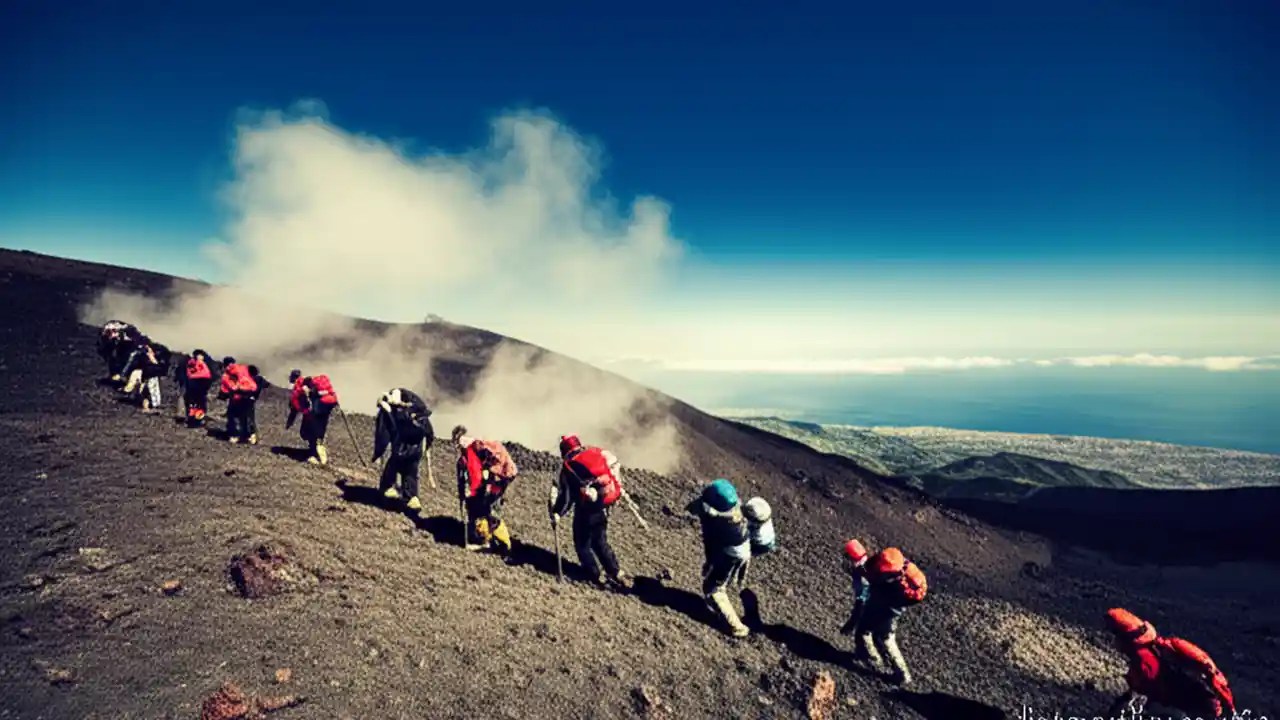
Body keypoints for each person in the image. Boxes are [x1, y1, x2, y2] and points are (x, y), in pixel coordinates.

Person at [1104, 608, 1235, 719]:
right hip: (1207, 705)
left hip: (1193, 709)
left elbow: (1148, 692)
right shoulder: (1160, 648)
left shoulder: (1143, 660)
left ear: (1124, 639)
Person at [839, 540, 927, 686]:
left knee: (878, 635)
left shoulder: (868, 573)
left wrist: (852, 622)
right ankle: (875, 660)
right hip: (892, 602)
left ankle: (885, 667)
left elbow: (862, 600)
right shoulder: (879, 564)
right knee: (877, 634)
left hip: (890, 605)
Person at [549, 434, 629, 590]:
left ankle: (594, 574)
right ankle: (616, 572)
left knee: (582, 543)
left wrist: (557, 512)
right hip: (602, 506)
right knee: (600, 541)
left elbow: (567, 496)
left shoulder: (569, 467)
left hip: (585, 509)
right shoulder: (594, 454)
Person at [686, 479, 753, 638]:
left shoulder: (715, 522)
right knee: (727, 578)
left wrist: (709, 563)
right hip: (744, 549)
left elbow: (711, 544)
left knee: (712, 589)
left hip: (731, 554)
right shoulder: (735, 508)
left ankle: (737, 627)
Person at [453, 425, 518, 560]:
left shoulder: (471, 453)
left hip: (493, 484)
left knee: (489, 514)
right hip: (499, 480)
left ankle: (502, 546)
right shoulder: (480, 448)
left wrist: (469, 493)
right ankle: (493, 542)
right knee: (489, 513)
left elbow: (474, 476)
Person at [373, 388, 435, 512]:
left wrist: (378, 453)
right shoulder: (419, 411)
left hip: (400, 448)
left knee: (392, 467)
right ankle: (413, 498)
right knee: (411, 472)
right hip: (416, 450)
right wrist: (427, 445)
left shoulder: (391, 411)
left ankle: (388, 490)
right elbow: (429, 432)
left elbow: (383, 434)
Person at [286, 369, 339, 464]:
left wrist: (291, 421)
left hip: (315, 409)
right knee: (319, 429)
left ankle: (314, 454)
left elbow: (296, 404)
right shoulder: (313, 382)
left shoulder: (300, 386)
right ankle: (319, 450)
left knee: (308, 432)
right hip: (328, 405)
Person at [217, 357, 259, 444]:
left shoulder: (226, 375)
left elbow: (228, 388)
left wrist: (224, 394)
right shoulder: (244, 368)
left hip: (236, 398)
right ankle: (251, 436)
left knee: (233, 417)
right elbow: (255, 379)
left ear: (225, 365)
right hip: (249, 397)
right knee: (249, 417)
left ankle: (235, 435)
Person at [183, 349, 214, 428]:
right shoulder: (196, 364)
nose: (201, 357)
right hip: (196, 386)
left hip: (197, 386)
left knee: (196, 404)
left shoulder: (195, 364)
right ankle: (195, 420)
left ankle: (195, 420)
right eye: (199, 355)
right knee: (197, 404)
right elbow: (206, 375)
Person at [245, 364, 269, 439]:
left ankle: (250, 434)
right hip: (253, 399)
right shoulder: (260, 379)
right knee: (250, 416)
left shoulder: (248, 379)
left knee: (247, 416)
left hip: (246, 399)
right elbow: (266, 384)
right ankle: (252, 434)